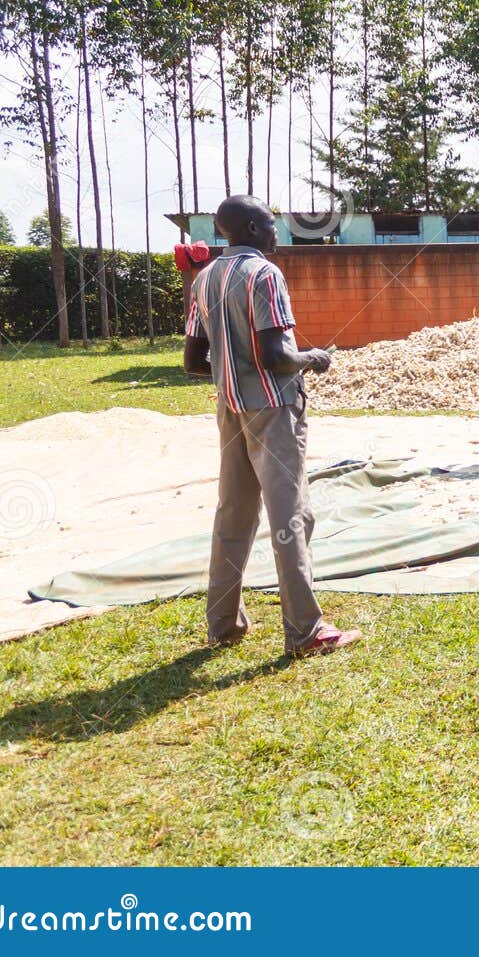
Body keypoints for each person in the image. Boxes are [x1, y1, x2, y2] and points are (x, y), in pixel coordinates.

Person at [183, 195, 361, 657]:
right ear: (250, 228)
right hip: (273, 408)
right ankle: (306, 631)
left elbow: (192, 361)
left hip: (230, 408)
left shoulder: (205, 279)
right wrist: (314, 358)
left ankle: (222, 624)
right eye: (270, 223)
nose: (277, 231)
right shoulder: (265, 274)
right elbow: (276, 357)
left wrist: (231, 369)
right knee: (291, 517)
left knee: (233, 514)